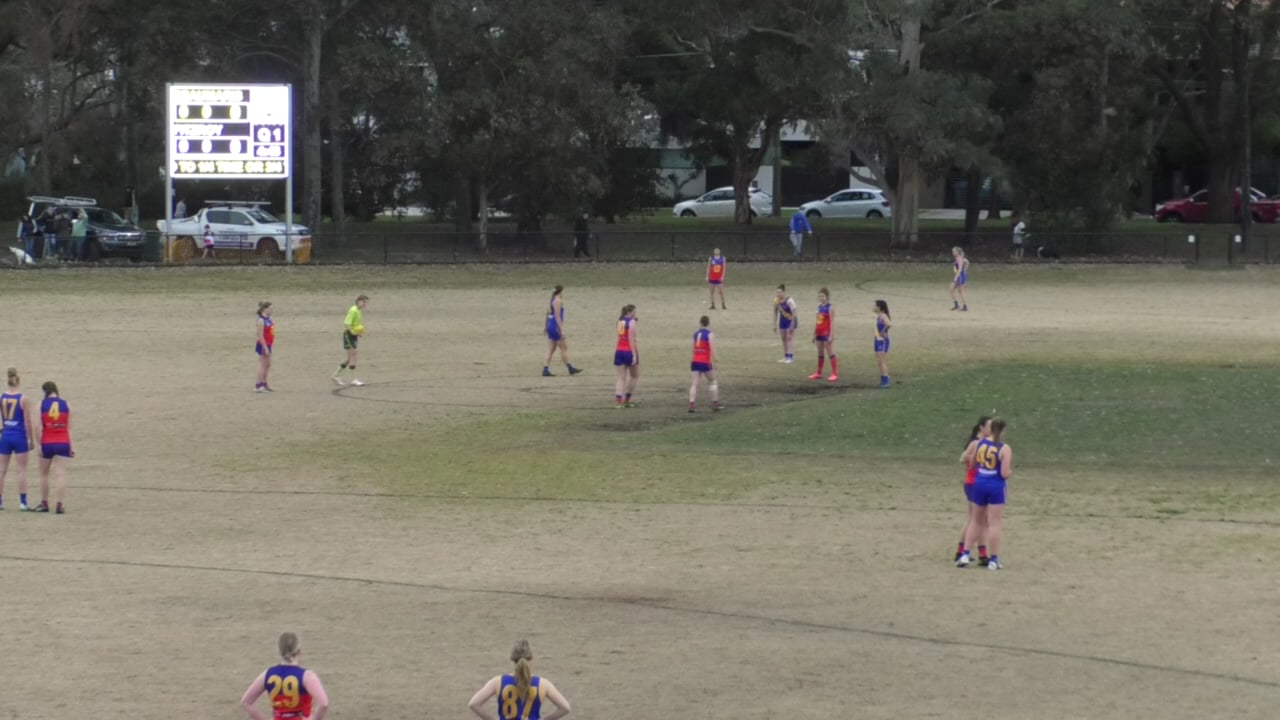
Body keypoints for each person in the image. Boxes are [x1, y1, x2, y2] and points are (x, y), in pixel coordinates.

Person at [958, 418, 1013, 570]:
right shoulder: (1004, 448)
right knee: (994, 523)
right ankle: (994, 559)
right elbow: (1004, 473)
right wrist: (1010, 472)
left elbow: (972, 464)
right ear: (1002, 431)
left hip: (979, 483)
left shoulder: (979, 443)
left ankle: (965, 554)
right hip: (995, 486)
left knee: (975, 521)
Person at [468, 639, 571, 720]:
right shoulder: (543, 684)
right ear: (530, 658)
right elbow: (565, 708)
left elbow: (474, 704)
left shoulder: (497, 681)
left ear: (513, 659)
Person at [239, 632, 329, 720]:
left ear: (279, 651)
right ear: (299, 651)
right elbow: (324, 704)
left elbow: (246, 701)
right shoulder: (307, 676)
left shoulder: (267, 674)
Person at [955, 416, 992, 565]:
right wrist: (976, 456)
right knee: (976, 520)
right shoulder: (976, 443)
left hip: (977, 482)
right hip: (974, 482)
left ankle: (970, 552)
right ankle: (970, 553)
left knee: (979, 520)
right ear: (981, 427)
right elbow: (962, 458)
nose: (992, 429)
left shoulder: (986, 443)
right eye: (989, 426)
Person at [0, 368, 37, 511]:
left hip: (6, 435)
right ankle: (23, 502)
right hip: (19, 436)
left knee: (1, 470)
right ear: (18, 381)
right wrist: (31, 439)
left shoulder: (2, 397)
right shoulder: (23, 399)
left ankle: (0, 501)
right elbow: (27, 421)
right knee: (21, 470)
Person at [34, 381, 73, 514]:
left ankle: (44, 503)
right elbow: (69, 428)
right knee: (61, 474)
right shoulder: (66, 404)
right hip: (63, 442)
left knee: (44, 474)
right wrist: (71, 446)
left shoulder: (40, 404)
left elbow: (37, 427)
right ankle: (59, 505)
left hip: (47, 441)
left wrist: (39, 445)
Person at [542, 285, 581, 377]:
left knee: (551, 349)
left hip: (551, 325)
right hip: (555, 326)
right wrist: (561, 330)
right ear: (560, 291)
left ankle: (545, 369)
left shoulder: (551, 300)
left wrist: (546, 326)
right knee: (563, 348)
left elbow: (548, 314)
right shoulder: (558, 301)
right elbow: (557, 317)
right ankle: (570, 368)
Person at [332, 295, 368, 387]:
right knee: (354, 354)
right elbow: (346, 323)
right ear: (358, 301)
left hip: (353, 335)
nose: (365, 304)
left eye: (366, 302)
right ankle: (354, 379)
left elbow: (355, 325)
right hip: (348, 335)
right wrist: (352, 332)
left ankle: (335, 375)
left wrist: (358, 333)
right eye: (363, 302)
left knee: (349, 359)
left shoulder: (358, 311)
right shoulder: (353, 310)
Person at [688, 315, 721, 413]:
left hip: (695, 360)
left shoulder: (695, 333)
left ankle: (691, 404)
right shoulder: (710, 334)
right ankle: (715, 403)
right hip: (705, 361)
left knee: (694, 383)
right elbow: (712, 348)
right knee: (713, 381)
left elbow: (693, 348)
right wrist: (716, 360)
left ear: (700, 323)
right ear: (708, 323)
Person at [808, 288, 838, 382]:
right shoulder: (818, 307)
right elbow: (817, 322)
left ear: (827, 297)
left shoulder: (830, 307)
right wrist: (814, 334)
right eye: (819, 296)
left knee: (830, 353)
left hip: (826, 333)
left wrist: (831, 335)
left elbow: (832, 322)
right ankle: (819, 372)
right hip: (819, 333)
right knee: (820, 353)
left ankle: (834, 373)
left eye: (823, 296)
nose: (821, 298)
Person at [613, 304, 639, 408]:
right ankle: (627, 400)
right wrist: (634, 355)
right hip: (629, 351)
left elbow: (620, 337)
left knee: (620, 378)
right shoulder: (632, 322)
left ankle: (618, 402)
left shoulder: (620, 321)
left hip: (619, 350)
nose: (635, 314)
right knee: (634, 376)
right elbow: (631, 339)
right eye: (634, 312)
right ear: (630, 312)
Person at [772, 284, 798, 363]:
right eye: (777, 292)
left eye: (780, 292)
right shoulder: (776, 301)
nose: (778, 294)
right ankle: (786, 356)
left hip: (791, 320)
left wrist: (792, 324)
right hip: (782, 321)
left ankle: (790, 357)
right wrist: (774, 325)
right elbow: (775, 313)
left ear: (784, 292)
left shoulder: (789, 300)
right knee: (783, 338)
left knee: (789, 338)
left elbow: (795, 312)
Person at [255, 301, 275, 393]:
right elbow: (260, 335)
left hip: (269, 344)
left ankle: (264, 383)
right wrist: (265, 347)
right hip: (263, 344)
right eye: (270, 308)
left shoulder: (269, 319)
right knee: (263, 365)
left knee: (267, 364)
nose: (271, 310)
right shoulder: (261, 320)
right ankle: (259, 385)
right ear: (264, 309)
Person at [872, 300, 891, 388]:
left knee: (881, 361)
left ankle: (885, 381)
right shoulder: (879, 316)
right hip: (877, 340)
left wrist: (883, 332)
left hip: (882, 341)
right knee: (880, 362)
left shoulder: (883, 316)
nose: (873, 307)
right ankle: (884, 378)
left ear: (879, 307)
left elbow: (889, 324)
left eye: (875, 306)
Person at [949, 246, 969, 311]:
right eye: (952, 251)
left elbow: (959, 270)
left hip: (960, 276)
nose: (952, 252)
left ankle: (964, 307)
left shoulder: (959, 258)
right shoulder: (958, 258)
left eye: (954, 251)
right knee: (951, 289)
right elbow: (966, 262)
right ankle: (957, 305)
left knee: (960, 292)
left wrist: (955, 278)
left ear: (957, 252)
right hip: (959, 276)